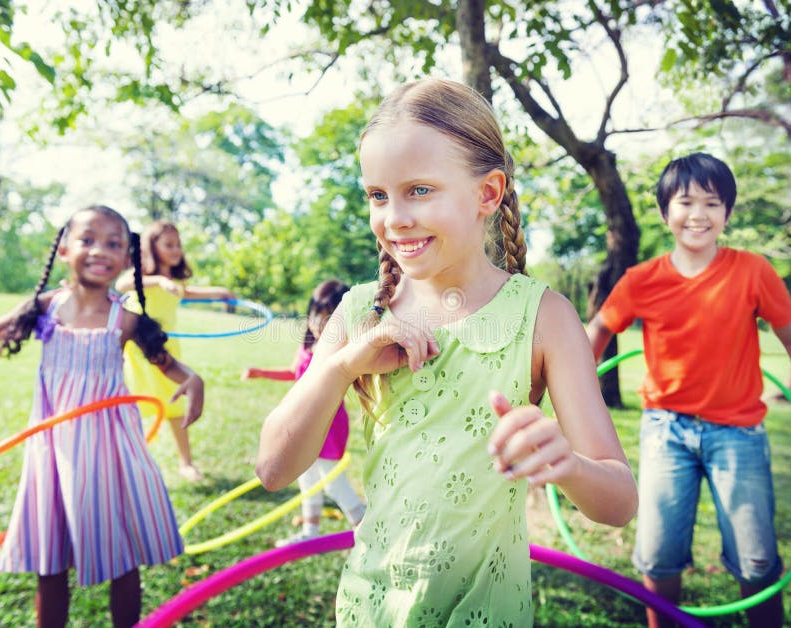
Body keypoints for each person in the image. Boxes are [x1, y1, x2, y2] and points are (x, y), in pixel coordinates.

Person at [256, 78, 637, 626]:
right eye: (378, 195)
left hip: (485, 611)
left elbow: (618, 503)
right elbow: (273, 468)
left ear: (487, 193)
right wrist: (340, 367)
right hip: (373, 607)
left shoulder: (545, 317)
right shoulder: (362, 310)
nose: (395, 218)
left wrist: (568, 464)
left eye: (419, 190)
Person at [586, 153, 791, 628]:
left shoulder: (754, 271)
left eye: (712, 203)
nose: (698, 214)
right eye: (685, 202)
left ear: (728, 214)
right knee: (658, 559)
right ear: (665, 213)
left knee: (757, 561)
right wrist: (571, 391)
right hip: (666, 432)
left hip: (739, 433)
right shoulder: (641, 280)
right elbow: (595, 333)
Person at [0, 205, 204, 628]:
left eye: (113, 243)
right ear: (65, 248)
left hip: (110, 451)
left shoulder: (124, 319)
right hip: (54, 451)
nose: (98, 250)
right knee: (50, 561)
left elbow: (169, 366)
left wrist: (193, 380)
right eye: (87, 239)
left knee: (121, 550)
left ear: (127, 259)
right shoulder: (45, 307)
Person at [244, 279, 366, 547]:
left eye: (328, 320)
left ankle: (366, 527)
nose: (320, 325)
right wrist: (261, 372)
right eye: (316, 317)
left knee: (333, 481)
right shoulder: (307, 347)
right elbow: (293, 372)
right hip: (303, 421)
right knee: (306, 476)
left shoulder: (341, 353)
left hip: (328, 424)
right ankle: (310, 531)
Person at [116, 219, 233, 482]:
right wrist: (157, 281)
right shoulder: (142, 275)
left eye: (178, 244)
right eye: (168, 244)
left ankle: (186, 462)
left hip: (167, 346)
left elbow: (190, 292)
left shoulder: (174, 281)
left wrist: (222, 292)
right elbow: (121, 285)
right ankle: (129, 459)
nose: (175, 249)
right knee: (135, 402)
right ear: (152, 246)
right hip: (139, 347)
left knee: (175, 402)